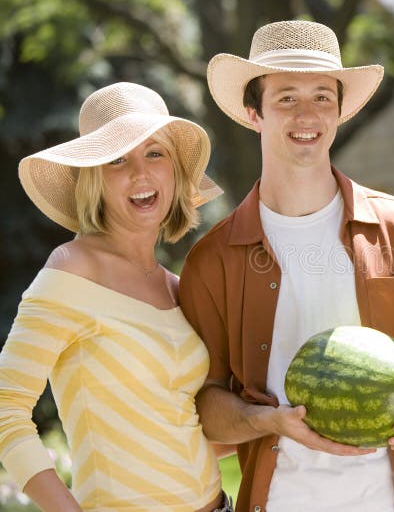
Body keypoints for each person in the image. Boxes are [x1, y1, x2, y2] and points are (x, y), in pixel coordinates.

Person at [177, 20, 394, 512]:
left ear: (339, 110)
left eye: (322, 96)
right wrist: (267, 421)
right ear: (254, 113)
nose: (307, 114)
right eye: (286, 98)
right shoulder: (213, 260)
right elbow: (207, 407)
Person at [0, 82, 229, 511]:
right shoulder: (72, 270)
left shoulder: (176, 288)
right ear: (93, 178)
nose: (140, 173)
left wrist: (282, 423)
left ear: (176, 172)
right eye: (117, 159)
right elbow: (5, 409)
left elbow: (178, 431)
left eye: (155, 153)